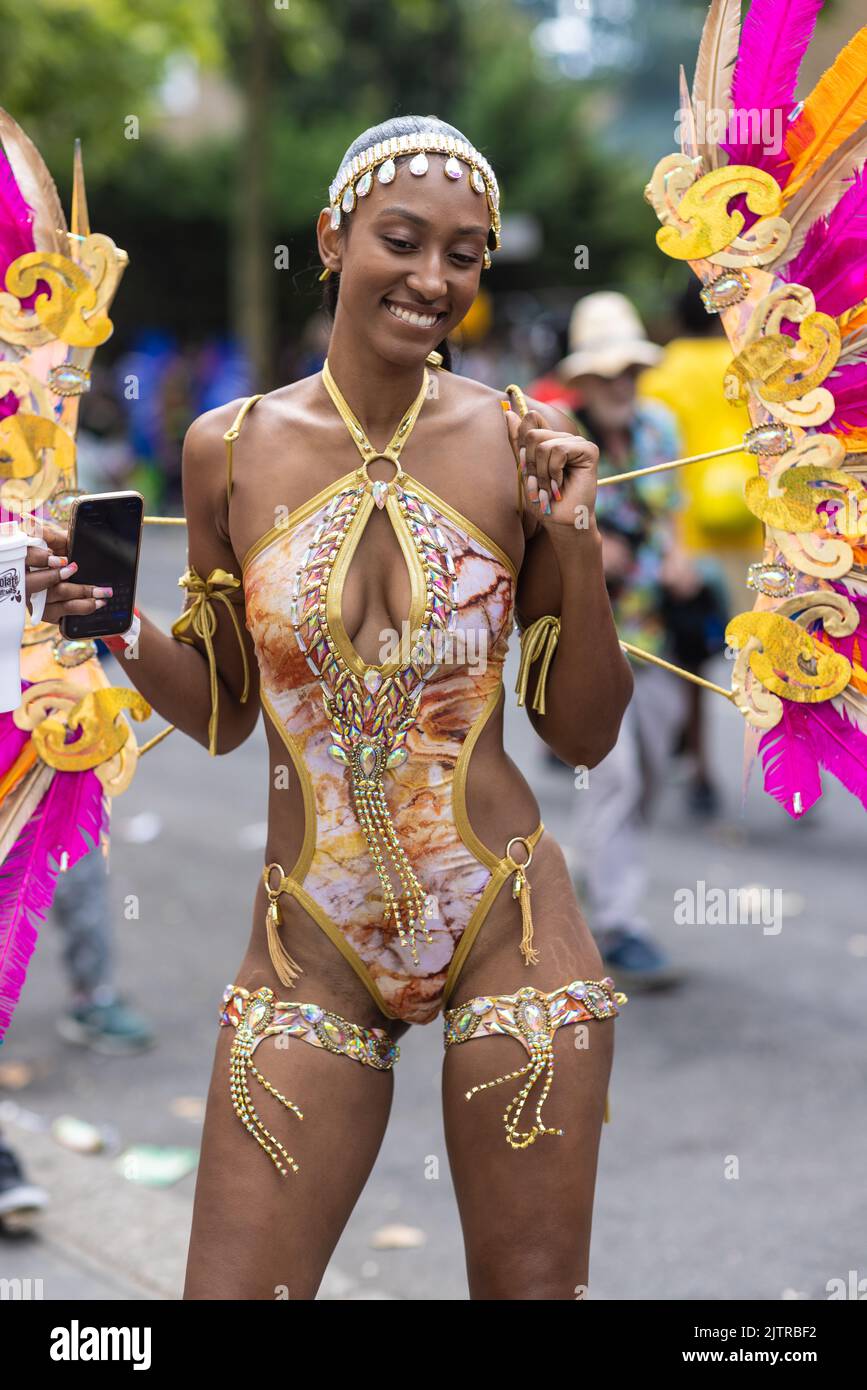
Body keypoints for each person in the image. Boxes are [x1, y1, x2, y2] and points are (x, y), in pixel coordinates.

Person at [56, 115, 634, 1301]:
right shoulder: (231, 447)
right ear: (331, 237)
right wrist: (109, 618)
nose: (432, 280)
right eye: (402, 241)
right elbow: (221, 708)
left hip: (507, 927)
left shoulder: (516, 441)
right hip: (308, 946)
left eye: (464, 255)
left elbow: (583, 731)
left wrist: (572, 539)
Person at [557, 291, 704, 989]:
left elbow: (671, 510)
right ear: (584, 378)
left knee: (645, 776)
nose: (621, 385)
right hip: (589, 641)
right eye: (608, 373)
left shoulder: (657, 428)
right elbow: (535, 538)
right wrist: (586, 549)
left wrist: (674, 557)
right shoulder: (557, 441)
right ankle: (617, 925)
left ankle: (592, 866)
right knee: (612, 779)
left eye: (629, 372)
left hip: (654, 637)